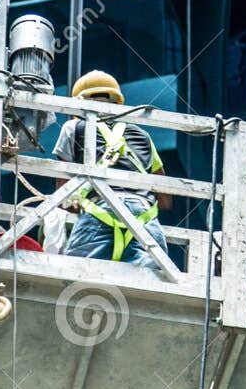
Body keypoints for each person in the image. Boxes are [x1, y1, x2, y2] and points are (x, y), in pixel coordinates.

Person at [53, 70, 171, 270]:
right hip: (145, 219)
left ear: (79, 103)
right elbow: (166, 200)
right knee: (151, 289)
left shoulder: (73, 127)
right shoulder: (143, 135)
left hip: (100, 212)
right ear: (118, 103)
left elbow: (63, 194)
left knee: (75, 279)